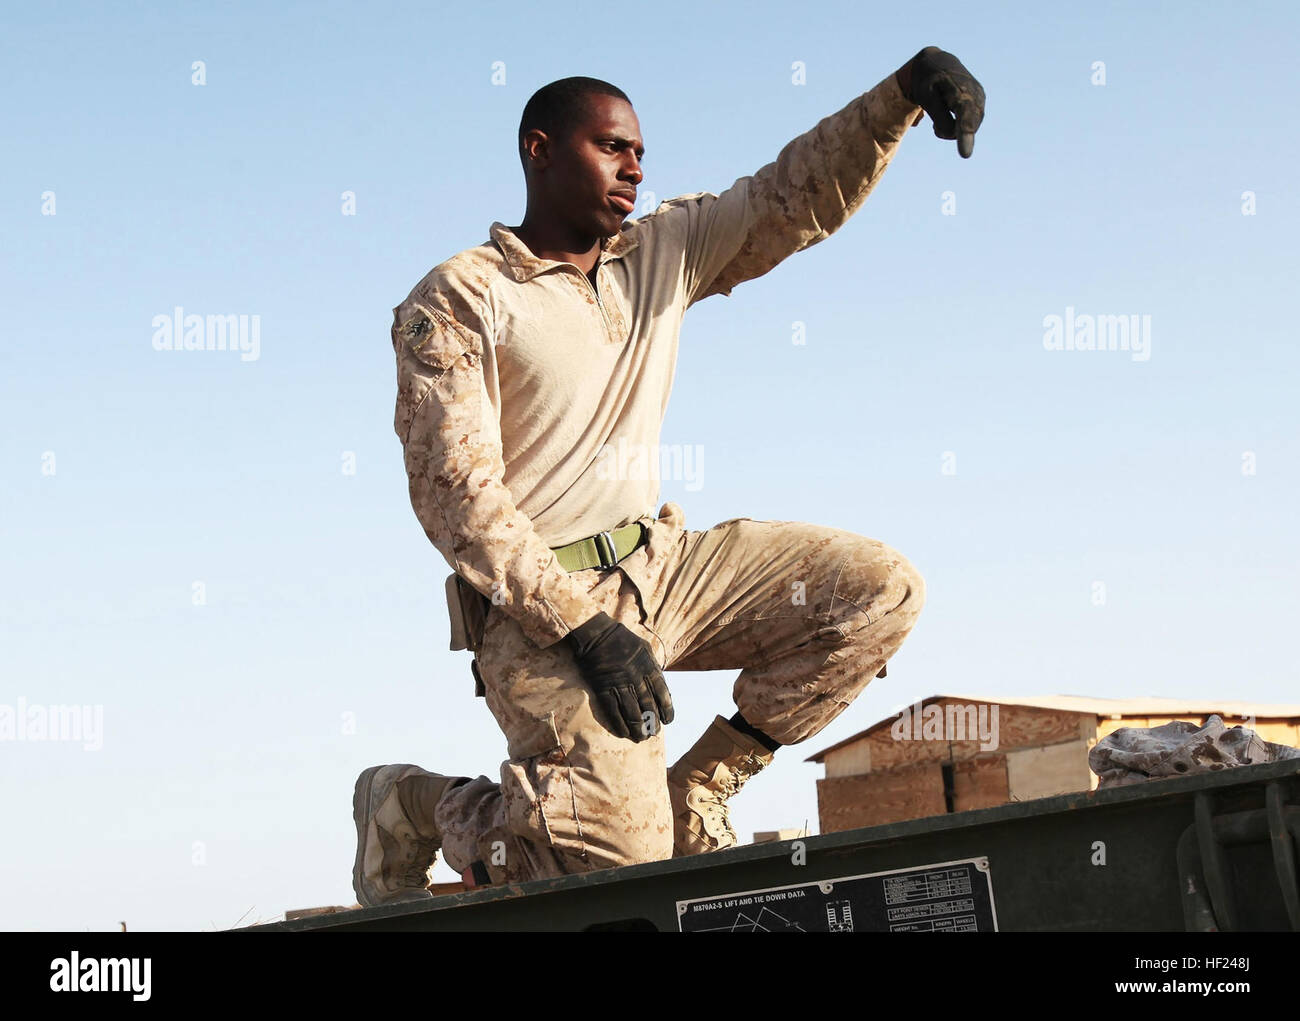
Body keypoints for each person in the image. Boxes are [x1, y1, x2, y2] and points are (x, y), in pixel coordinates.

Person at [352, 46, 985, 905]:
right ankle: (422, 803)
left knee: (879, 591)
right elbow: (456, 495)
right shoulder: (462, 298)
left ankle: (698, 788)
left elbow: (790, 197)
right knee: (620, 875)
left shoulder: (665, 250)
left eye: (641, 152)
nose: (634, 167)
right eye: (611, 147)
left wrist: (901, 96)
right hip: (542, 615)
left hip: (666, 572)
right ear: (539, 149)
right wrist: (582, 628)